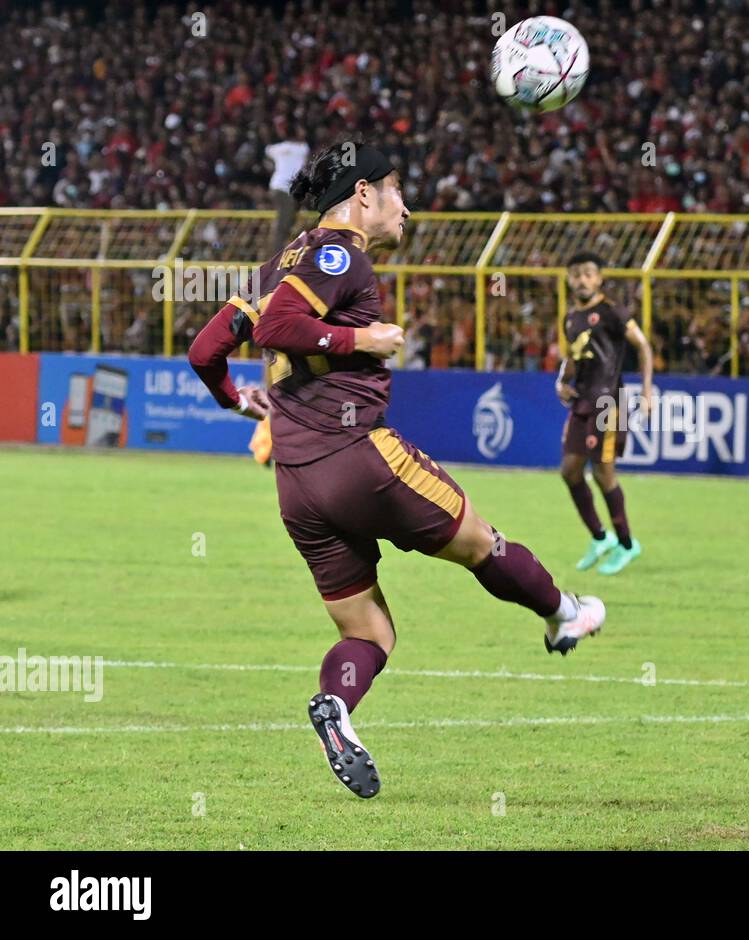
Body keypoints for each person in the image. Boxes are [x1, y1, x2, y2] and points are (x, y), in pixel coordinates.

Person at [189, 141, 605, 799]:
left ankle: (338, 711)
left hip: (297, 484)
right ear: (362, 195)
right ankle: (562, 613)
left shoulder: (272, 266)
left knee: (370, 630)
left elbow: (205, 348)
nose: (405, 207)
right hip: (360, 458)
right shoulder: (338, 254)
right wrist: (362, 339)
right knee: (483, 546)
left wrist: (241, 401)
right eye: (396, 192)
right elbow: (283, 330)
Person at [556, 251, 654, 575]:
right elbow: (572, 358)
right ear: (569, 280)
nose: (582, 279)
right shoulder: (570, 318)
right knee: (569, 470)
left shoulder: (612, 312)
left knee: (602, 473)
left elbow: (642, 345)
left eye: (588, 273)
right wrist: (561, 382)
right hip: (581, 402)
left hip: (607, 403)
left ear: (599, 279)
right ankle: (600, 537)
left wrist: (647, 391)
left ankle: (627, 544)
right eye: (576, 274)